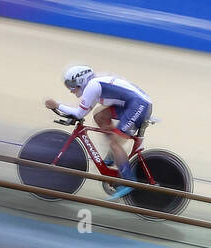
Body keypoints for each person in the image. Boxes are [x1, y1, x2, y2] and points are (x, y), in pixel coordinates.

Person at [45, 65, 152, 200]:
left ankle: (128, 181)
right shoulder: (95, 83)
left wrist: (57, 105)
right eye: (68, 86)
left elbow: (79, 113)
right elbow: (86, 110)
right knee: (99, 115)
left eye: (72, 85)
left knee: (115, 144)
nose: (71, 90)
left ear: (81, 80)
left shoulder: (92, 86)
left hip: (138, 106)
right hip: (135, 104)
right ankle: (113, 155)